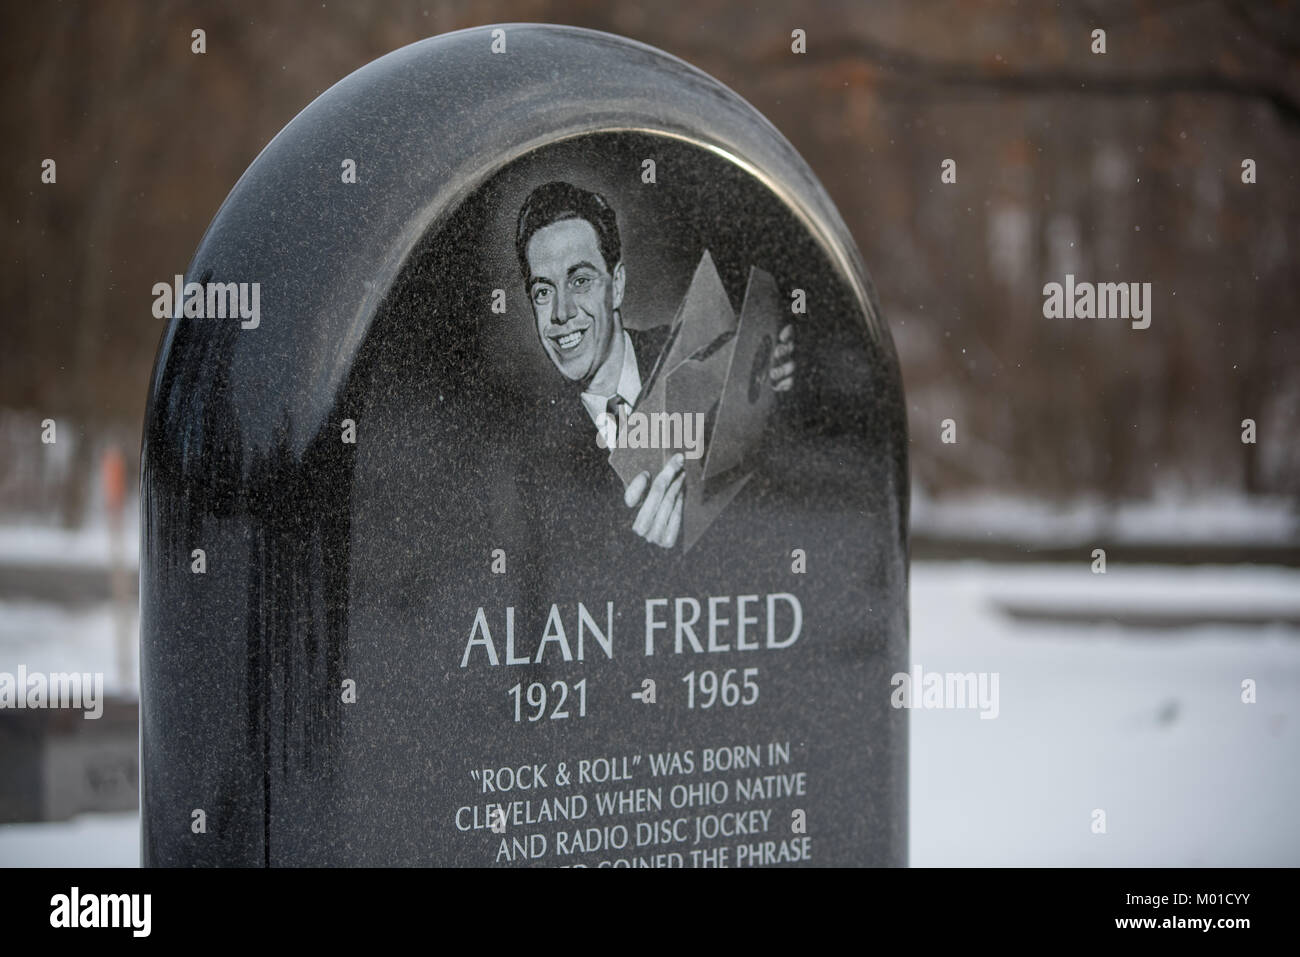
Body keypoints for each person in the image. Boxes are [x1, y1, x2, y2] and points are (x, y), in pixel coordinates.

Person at [515, 181, 794, 550]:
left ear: (616, 285)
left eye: (580, 280)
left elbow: (778, 490)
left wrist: (781, 390)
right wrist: (642, 556)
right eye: (543, 292)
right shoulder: (531, 447)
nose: (561, 312)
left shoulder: (700, 347)